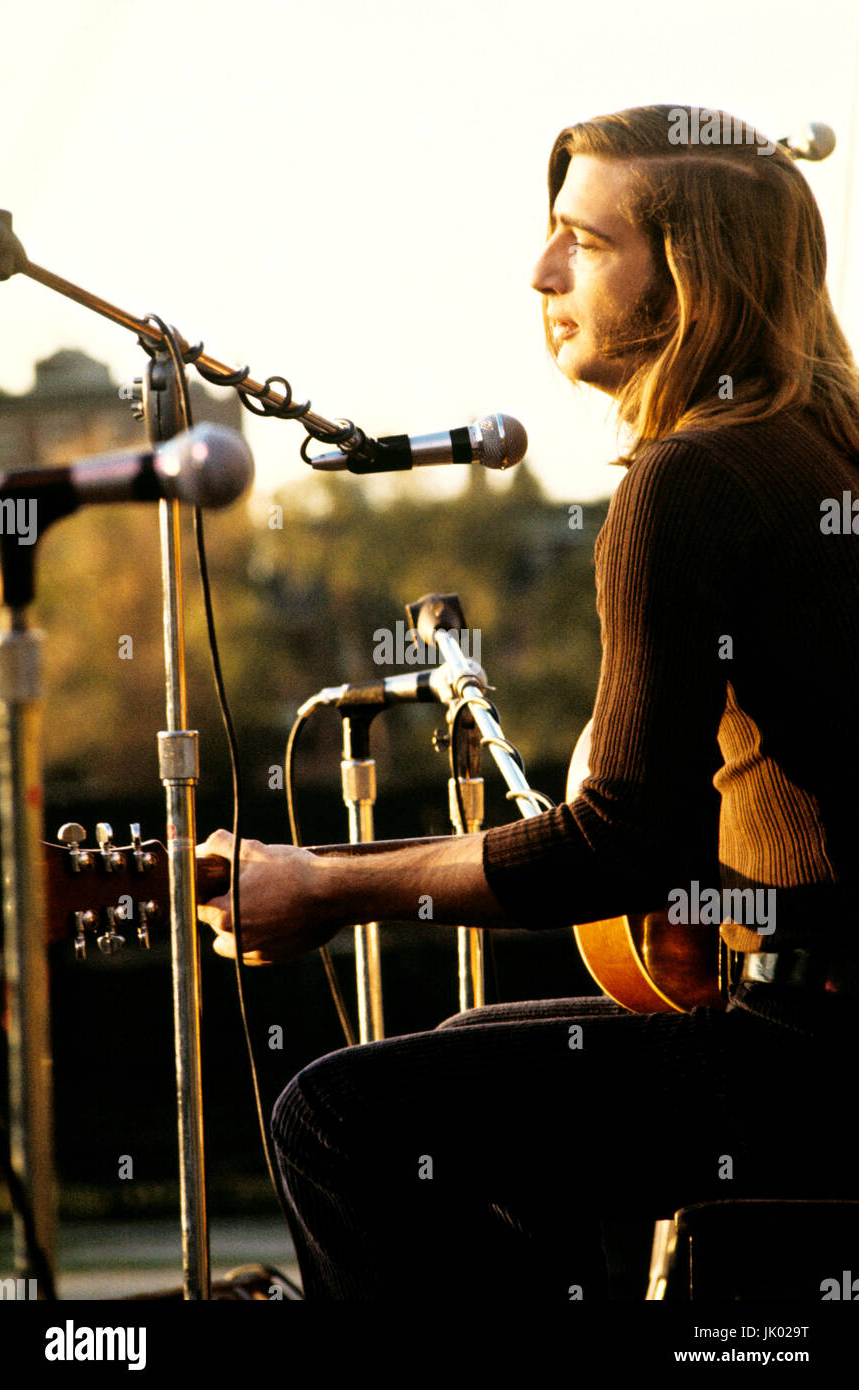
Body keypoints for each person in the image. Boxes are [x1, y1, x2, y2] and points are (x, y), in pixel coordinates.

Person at [197, 105, 859, 1300]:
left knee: (335, 1118)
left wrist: (327, 887)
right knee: (460, 1061)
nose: (540, 272)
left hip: (811, 1054)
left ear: (690, 275)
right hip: (811, 1024)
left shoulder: (692, 475)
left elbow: (617, 843)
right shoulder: (821, 449)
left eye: (583, 242)